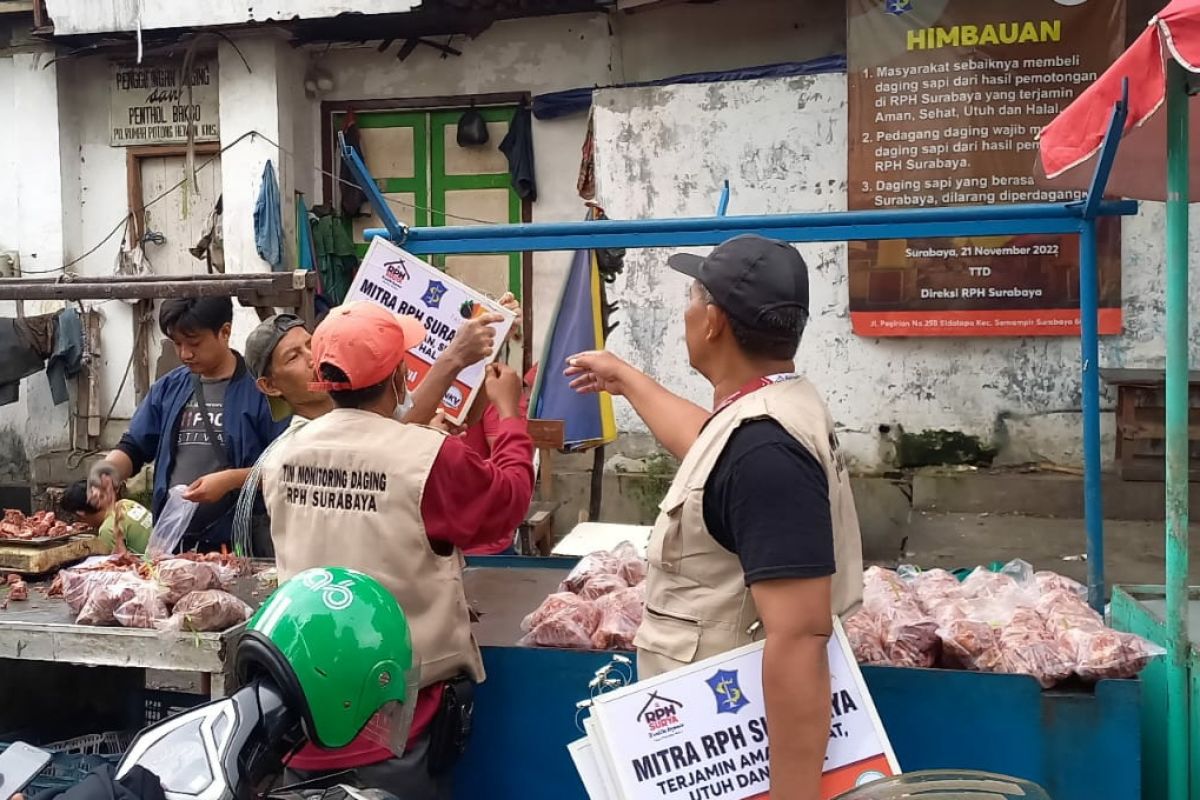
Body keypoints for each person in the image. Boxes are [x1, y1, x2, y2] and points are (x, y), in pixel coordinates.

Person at [566, 234, 864, 800]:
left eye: (691, 298)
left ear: (713, 323)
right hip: (714, 740)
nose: (685, 312)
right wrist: (627, 380)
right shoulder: (768, 412)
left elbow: (800, 635)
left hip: (741, 754)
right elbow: (715, 453)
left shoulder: (766, 451)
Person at [259, 301, 534, 799]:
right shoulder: (426, 458)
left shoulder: (281, 457)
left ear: (325, 380)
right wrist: (511, 414)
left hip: (307, 700)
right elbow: (509, 502)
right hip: (399, 713)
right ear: (402, 378)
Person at [87, 297, 286, 553]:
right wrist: (108, 470)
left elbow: (285, 470)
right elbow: (134, 446)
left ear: (225, 332)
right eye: (177, 343)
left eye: (194, 343)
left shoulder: (262, 391)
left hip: (242, 545)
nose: (184, 354)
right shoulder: (169, 388)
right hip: (175, 544)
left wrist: (230, 480)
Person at [59, 480, 153, 555]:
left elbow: (120, 564)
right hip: (165, 549)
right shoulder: (125, 503)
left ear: (81, 514)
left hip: (155, 566)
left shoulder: (107, 529)